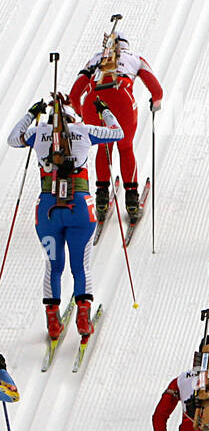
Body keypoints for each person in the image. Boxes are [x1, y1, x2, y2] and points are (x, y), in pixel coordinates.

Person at [7, 95, 122, 342]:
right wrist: (104, 109)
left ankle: (53, 321)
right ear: (73, 116)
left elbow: (13, 138)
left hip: (47, 210)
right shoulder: (84, 129)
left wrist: (31, 112)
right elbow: (118, 132)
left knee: (53, 266)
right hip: (80, 207)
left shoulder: (38, 132)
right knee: (81, 267)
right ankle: (83, 318)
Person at [68, 30, 163, 223]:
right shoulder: (135, 58)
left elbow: (74, 94)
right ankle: (132, 200)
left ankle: (101, 196)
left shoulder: (96, 59)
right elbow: (157, 90)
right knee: (126, 148)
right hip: (123, 103)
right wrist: (156, 102)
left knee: (103, 148)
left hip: (93, 104)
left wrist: (81, 112)